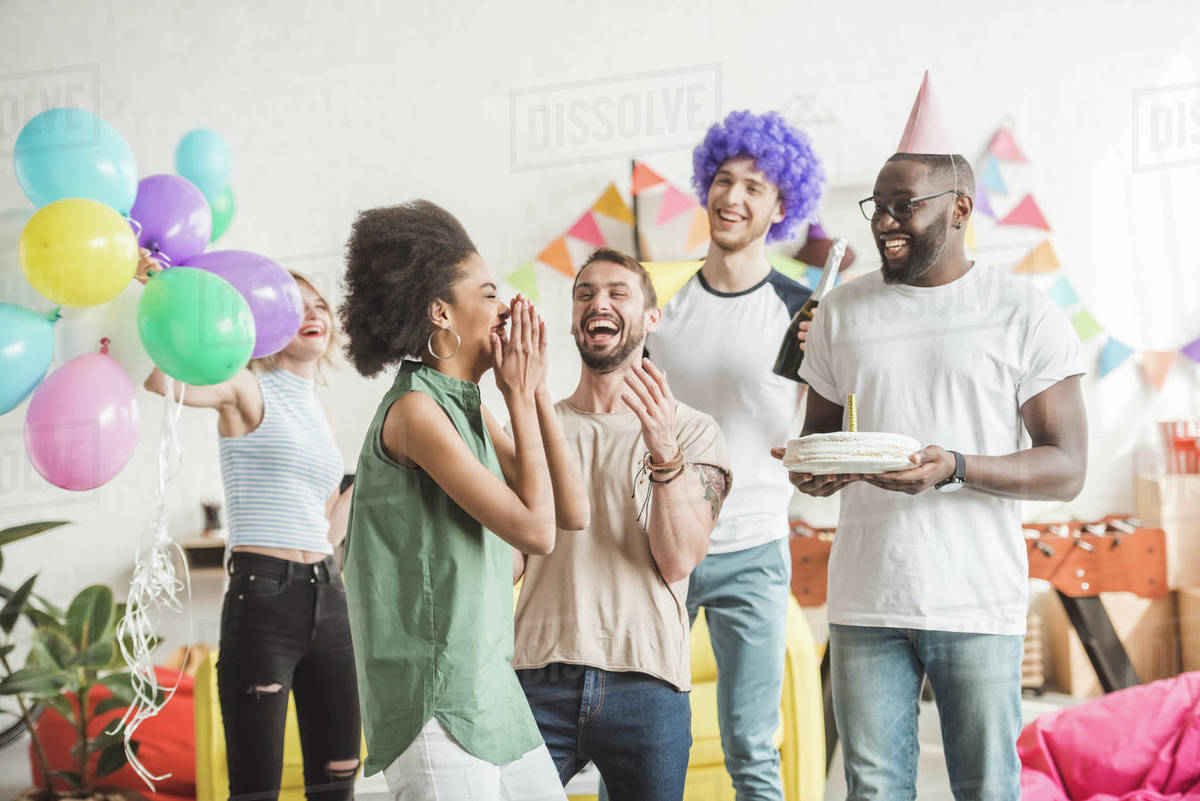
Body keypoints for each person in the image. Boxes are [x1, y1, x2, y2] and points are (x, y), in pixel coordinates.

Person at [788, 77, 1088, 800]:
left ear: (959, 208)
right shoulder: (842, 312)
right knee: (873, 789)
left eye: (903, 207)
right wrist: (814, 473)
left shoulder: (1022, 311)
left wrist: (954, 466)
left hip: (976, 599)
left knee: (987, 787)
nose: (885, 223)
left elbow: (1068, 465)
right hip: (864, 598)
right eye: (878, 208)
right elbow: (817, 442)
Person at [337, 200, 587, 801]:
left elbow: (571, 510)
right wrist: (520, 399)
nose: (506, 308)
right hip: (434, 697)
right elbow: (537, 532)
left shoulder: (465, 403)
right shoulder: (418, 412)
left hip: (487, 688)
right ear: (441, 313)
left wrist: (534, 389)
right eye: (490, 294)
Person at [645, 110, 825, 801]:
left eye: (755, 186)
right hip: (663, 544)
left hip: (756, 547)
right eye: (724, 179)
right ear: (705, 188)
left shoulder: (802, 310)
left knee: (752, 742)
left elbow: (821, 429)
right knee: (638, 734)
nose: (734, 196)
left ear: (781, 207)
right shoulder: (664, 304)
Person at [139, 250, 361, 800]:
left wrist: (376, 482)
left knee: (337, 774)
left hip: (328, 595)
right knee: (256, 783)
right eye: (295, 305)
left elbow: (324, 518)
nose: (313, 314)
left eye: (320, 306)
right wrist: (165, 294)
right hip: (264, 595)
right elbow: (161, 380)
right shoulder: (243, 386)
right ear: (269, 320)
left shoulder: (322, 413)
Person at [513, 248, 731, 801]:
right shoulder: (535, 425)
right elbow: (509, 560)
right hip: (538, 675)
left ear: (651, 319)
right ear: (572, 319)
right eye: (585, 293)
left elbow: (678, 558)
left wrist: (664, 452)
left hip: (647, 684)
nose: (598, 303)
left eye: (617, 292)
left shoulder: (693, 430)